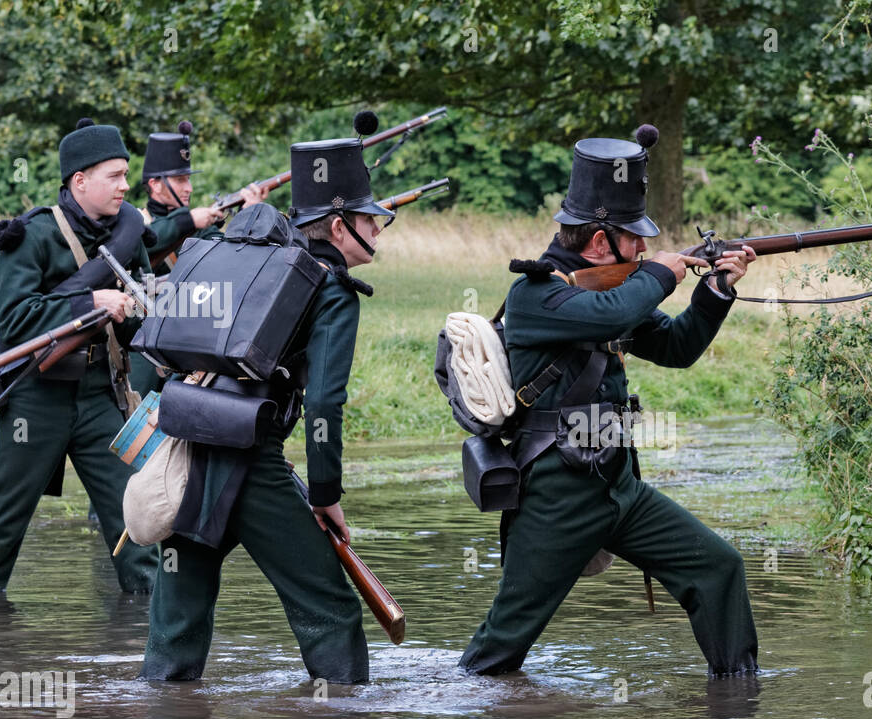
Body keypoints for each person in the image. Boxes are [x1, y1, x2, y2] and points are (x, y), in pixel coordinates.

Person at [459, 124, 760, 678]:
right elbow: (615, 315)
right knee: (499, 651)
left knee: (720, 569)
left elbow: (676, 347)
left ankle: (737, 700)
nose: (643, 250)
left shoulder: (614, 290)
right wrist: (658, 274)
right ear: (601, 242)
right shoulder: (537, 294)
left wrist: (715, 290)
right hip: (557, 494)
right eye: (634, 240)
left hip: (618, 483)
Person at [139, 125, 395, 683]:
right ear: (337, 224)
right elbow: (325, 403)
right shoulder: (332, 288)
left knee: (177, 623)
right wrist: (326, 495)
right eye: (371, 217)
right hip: (253, 462)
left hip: (194, 442)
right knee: (331, 609)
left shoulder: (251, 265)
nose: (379, 227)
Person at [0, 119, 158, 596]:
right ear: (80, 180)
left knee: (134, 523)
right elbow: (15, 324)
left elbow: (142, 321)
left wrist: (138, 312)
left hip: (100, 394)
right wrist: (92, 303)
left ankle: (152, 631)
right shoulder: (29, 236)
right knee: (2, 526)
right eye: (114, 175)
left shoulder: (128, 235)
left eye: (125, 175)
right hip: (36, 399)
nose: (125, 185)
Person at [133, 121, 269, 395]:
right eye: (181, 180)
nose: (189, 188)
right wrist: (188, 220)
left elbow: (231, 261)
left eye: (189, 179)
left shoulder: (201, 228)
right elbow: (146, 241)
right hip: (141, 343)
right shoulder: (135, 223)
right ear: (155, 185)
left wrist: (248, 216)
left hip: (190, 342)